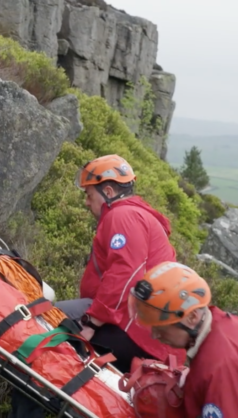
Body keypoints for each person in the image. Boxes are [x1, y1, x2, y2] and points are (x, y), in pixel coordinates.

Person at [64, 154, 184, 373]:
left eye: (89, 195)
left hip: (134, 330)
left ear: (108, 192)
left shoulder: (123, 216)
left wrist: (91, 323)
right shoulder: (135, 215)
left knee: (45, 319)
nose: (86, 202)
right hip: (145, 333)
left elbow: (127, 274)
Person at [130, 262, 238, 418]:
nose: (155, 335)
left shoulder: (220, 369)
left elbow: (228, 384)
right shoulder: (231, 325)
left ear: (191, 317)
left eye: (161, 328)